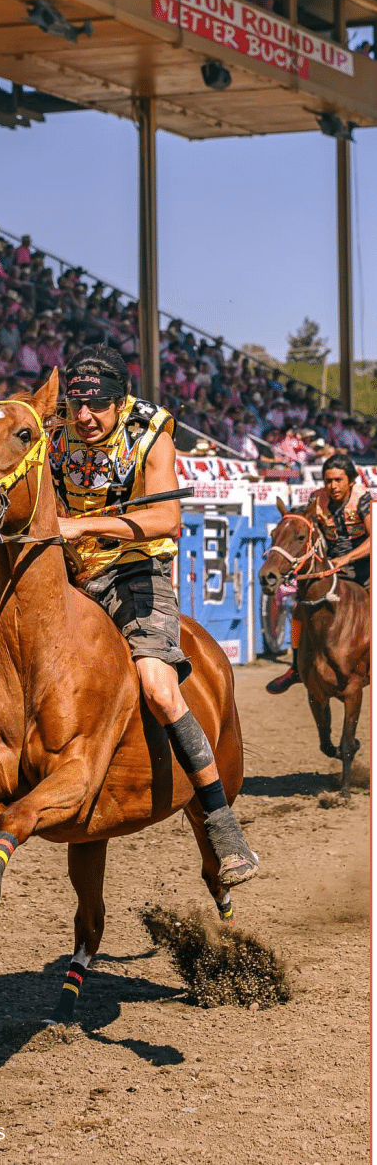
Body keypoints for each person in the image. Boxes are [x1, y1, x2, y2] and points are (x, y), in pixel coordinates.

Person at [50, 344, 258, 888]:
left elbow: (167, 518)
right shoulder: (56, 431)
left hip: (136, 574)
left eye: (96, 407)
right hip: (72, 575)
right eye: (76, 407)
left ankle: (220, 819)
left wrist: (81, 526)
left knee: (161, 688)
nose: (84, 419)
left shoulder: (152, 434)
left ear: (120, 403)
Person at [266, 452, 372, 694]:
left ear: (351, 481)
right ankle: (295, 667)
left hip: (366, 568)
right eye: (328, 481)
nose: (332, 486)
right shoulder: (317, 500)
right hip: (333, 570)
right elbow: (300, 521)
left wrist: (346, 558)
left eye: (338, 480)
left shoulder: (363, 500)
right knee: (298, 609)